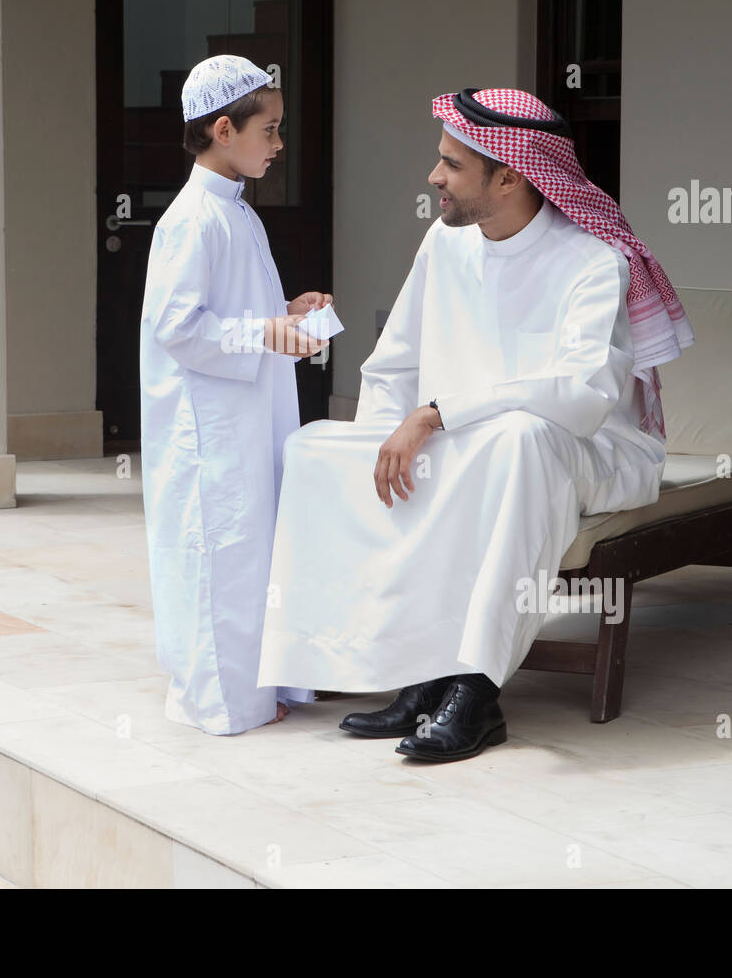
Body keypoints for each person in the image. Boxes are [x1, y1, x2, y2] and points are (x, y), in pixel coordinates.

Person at [257, 87, 694, 762]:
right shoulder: (444, 243)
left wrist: (437, 414)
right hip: (463, 441)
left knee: (519, 442)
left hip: (592, 449)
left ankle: (475, 689)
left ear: (511, 174)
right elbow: (393, 363)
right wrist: (384, 441)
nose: (434, 177)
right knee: (313, 448)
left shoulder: (589, 261)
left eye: (452, 165)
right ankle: (399, 664)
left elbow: (581, 398)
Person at [139, 54, 330, 735]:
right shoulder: (191, 219)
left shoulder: (237, 213)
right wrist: (267, 332)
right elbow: (178, 327)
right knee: (219, 552)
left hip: (247, 417)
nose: (279, 145)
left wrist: (286, 308)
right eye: (270, 130)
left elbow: (233, 309)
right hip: (211, 428)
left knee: (252, 549)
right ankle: (221, 698)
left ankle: (258, 685)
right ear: (224, 129)